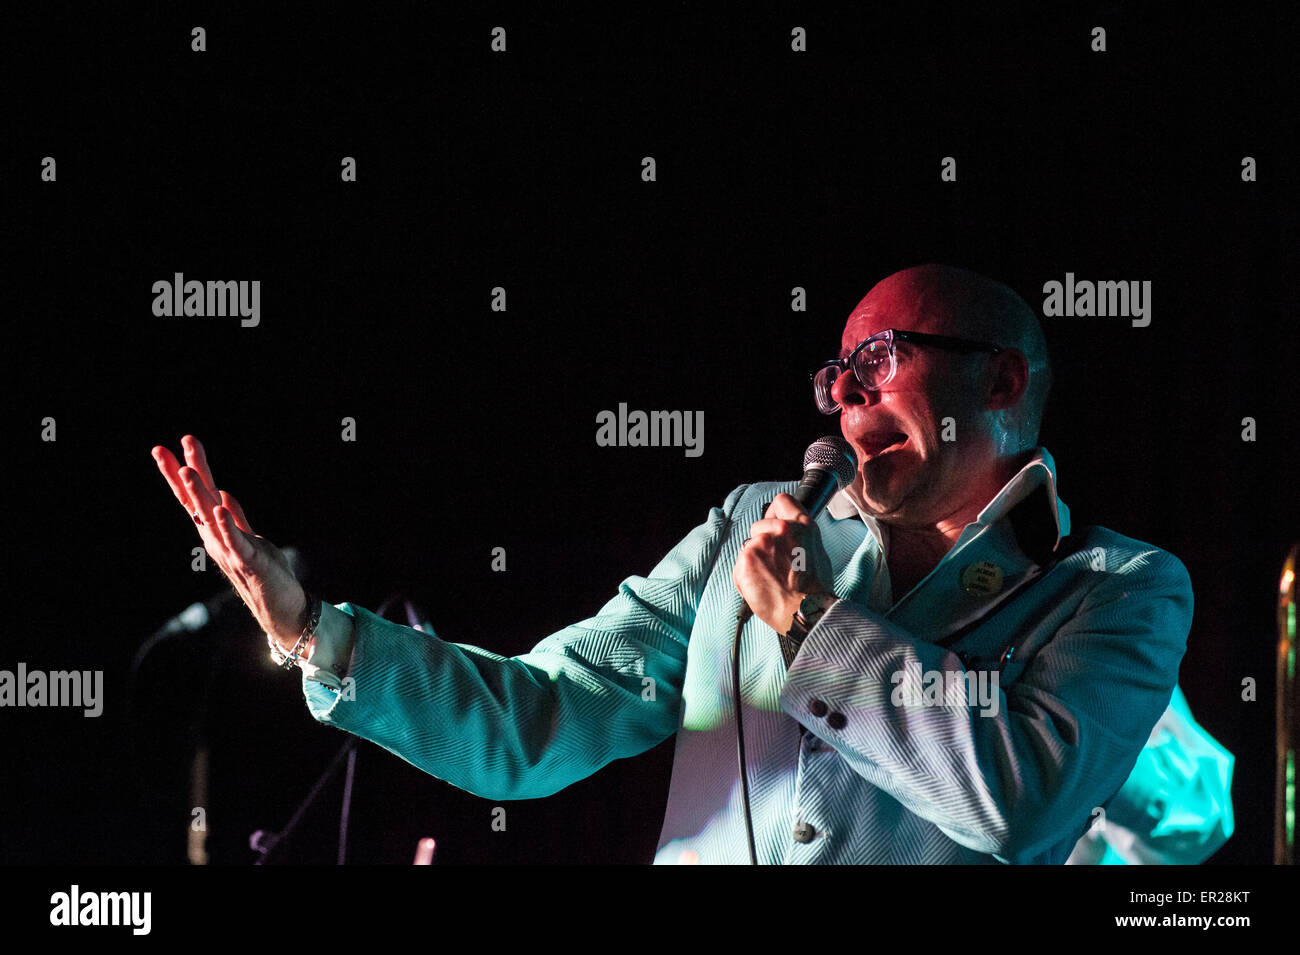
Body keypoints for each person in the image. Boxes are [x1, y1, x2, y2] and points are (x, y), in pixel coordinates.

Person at [152, 263, 1194, 864]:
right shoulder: (753, 523)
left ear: (1000, 377)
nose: (842, 398)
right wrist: (308, 631)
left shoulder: (1116, 586)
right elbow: (535, 721)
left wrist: (809, 625)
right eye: (835, 376)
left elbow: (1017, 799)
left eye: (878, 363)